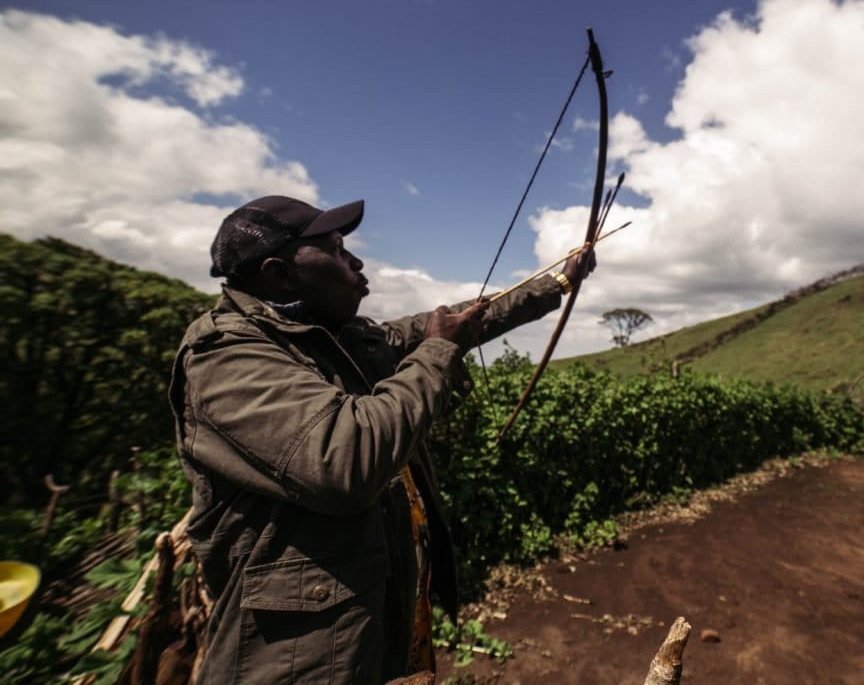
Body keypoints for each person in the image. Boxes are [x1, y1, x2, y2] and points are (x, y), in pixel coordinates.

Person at [168, 195, 594, 684]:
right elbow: (346, 458)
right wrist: (436, 352)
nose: (355, 261)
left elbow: (468, 318)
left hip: (375, 631)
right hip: (302, 664)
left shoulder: (338, 337)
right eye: (334, 248)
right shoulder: (225, 355)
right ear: (279, 275)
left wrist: (560, 281)